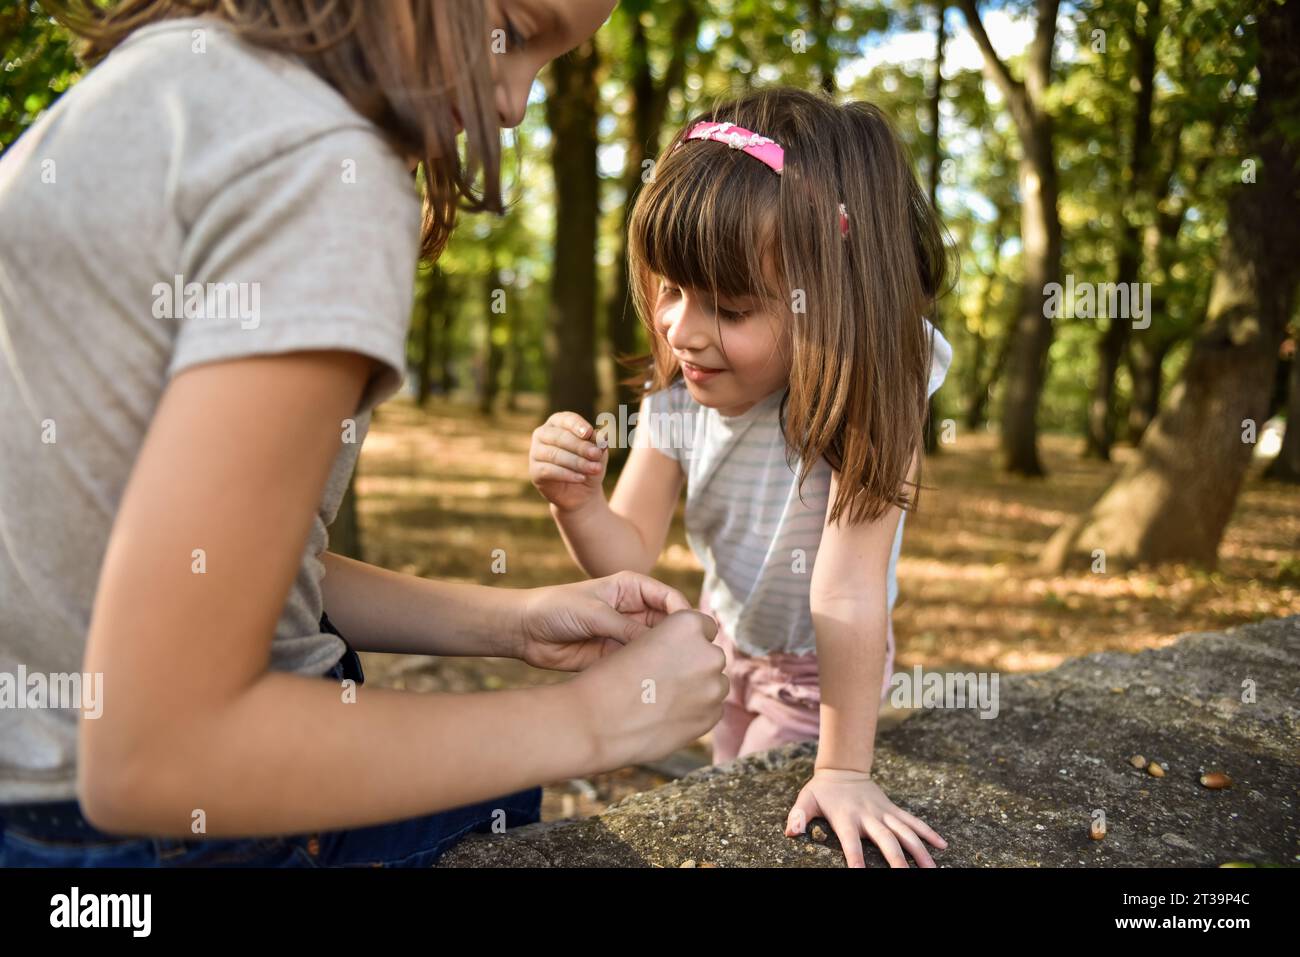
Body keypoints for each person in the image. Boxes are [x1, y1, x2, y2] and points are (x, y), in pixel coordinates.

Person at [0, 0, 728, 867]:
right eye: (514, 29)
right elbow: (157, 755)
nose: (515, 102)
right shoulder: (320, 163)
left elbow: (215, 573)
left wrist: (515, 621)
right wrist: (593, 721)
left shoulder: (166, 82)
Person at [529, 88, 953, 868]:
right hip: (725, 651)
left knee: (764, 829)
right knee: (729, 782)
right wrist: (577, 501)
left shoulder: (866, 396)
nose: (681, 331)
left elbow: (849, 589)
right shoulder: (678, 402)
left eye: (727, 307)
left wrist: (844, 769)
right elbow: (628, 553)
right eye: (669, 290)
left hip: (817, 671)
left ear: (829, 298)